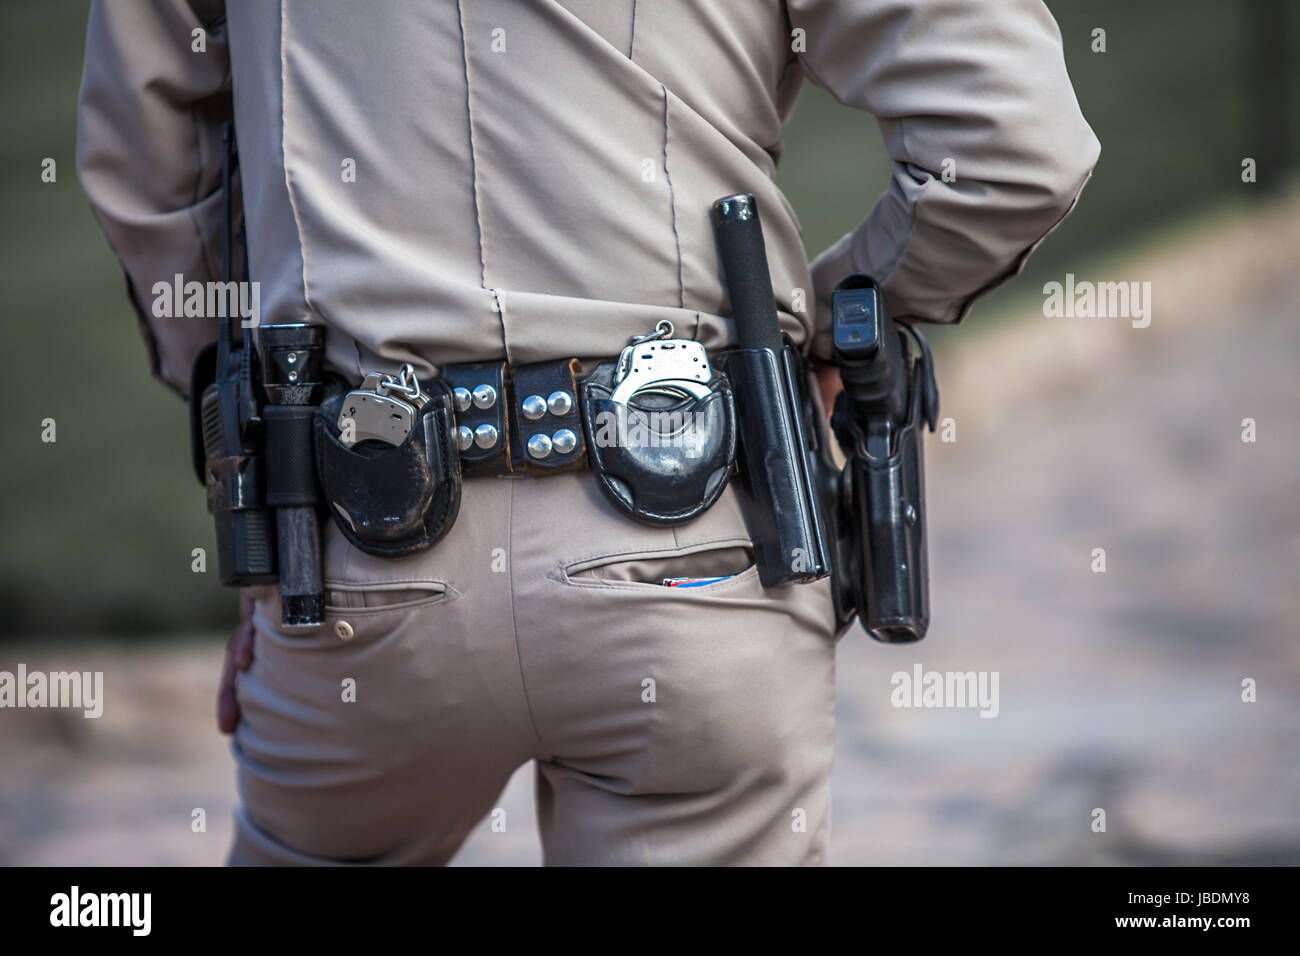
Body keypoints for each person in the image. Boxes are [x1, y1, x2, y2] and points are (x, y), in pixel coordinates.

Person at [77, 0, 1098, 865]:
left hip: (356, 559)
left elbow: (153, 168)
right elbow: (1011, 147)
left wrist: (265, 474)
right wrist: (822, 330)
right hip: (697, 544)